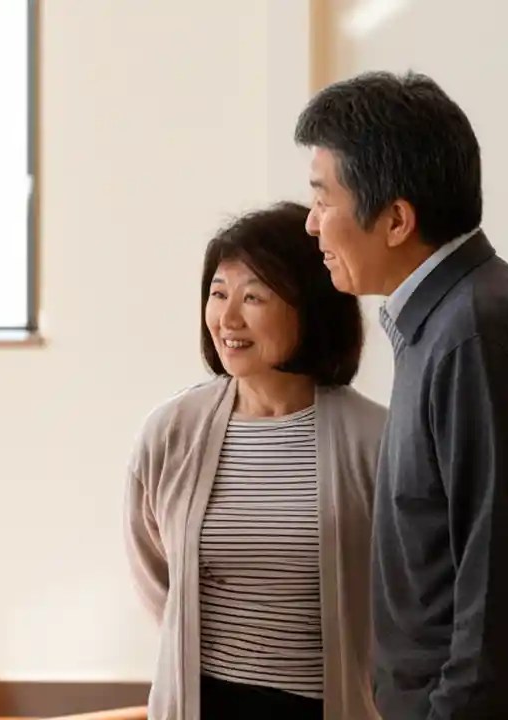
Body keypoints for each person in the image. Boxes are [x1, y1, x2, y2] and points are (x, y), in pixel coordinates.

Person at [295, 71, 508, 719]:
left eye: (323, 199)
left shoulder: (475, 332)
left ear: (396, 219)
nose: (311, 224)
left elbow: (500, 596)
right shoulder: (448, 319)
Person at [124, 202, 387, 720]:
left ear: (310, 306)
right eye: (218, 293)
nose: (228, 318)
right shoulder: (171, 430)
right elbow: (157, 574)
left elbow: (404, 596)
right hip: (202, 702)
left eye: (254, 297)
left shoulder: (377, 439)